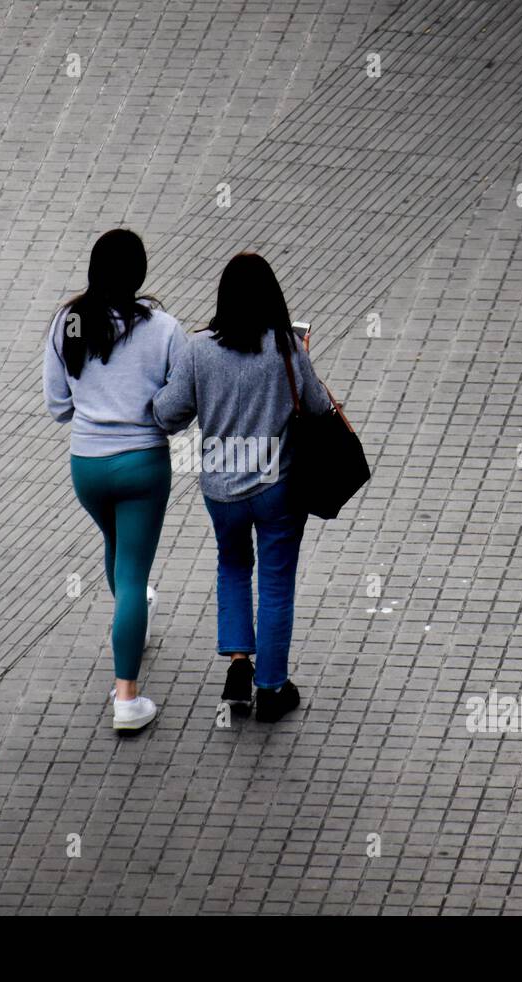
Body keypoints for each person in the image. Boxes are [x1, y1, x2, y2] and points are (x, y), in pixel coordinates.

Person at [153, 253, 329, 723]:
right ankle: (271, 688)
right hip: (278, 488)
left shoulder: (198, 350)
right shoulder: (287, 349)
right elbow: (316, 406)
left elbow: (169, 414)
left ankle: (237, 663)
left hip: (221, 491)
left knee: (232, 564)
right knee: (276, 582)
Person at [43, 229, 186, 732]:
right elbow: (178, 404)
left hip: (87, 466)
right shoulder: (165, 329)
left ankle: (134, 623)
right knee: (132, 575)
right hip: (143, 466)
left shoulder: (70, 320)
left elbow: (58, 405)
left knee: (117, 549)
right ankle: (126, 698)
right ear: (139, 274)